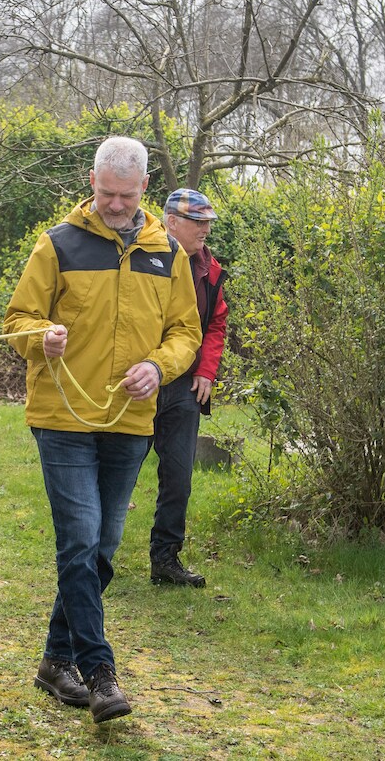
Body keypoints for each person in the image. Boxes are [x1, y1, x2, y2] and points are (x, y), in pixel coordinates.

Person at [3, 136, 201, 724]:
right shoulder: (57, 244)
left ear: (145, 189)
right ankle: (99, 672)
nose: (114, 204)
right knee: (81, 540)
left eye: (126, 194)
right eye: (105, 192)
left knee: (104, 546)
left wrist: (158, 366)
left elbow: (185, 332)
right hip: (62, 418)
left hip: (130, 419)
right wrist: (41, 336)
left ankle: (54, 659)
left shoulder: (170, 253)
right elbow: (16, 320)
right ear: (92, 181)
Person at [149, 188, 228, 588]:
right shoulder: (142, 257)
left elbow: (216, 323)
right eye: (199, 222)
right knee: (118, 474)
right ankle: (93, 557)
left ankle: (166, 560)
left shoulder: (209, 268)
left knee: (179, 477)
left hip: (184, 387)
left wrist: (206, 372)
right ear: (172, 222)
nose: (206, 230)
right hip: (138, 383)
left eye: (208, 222)